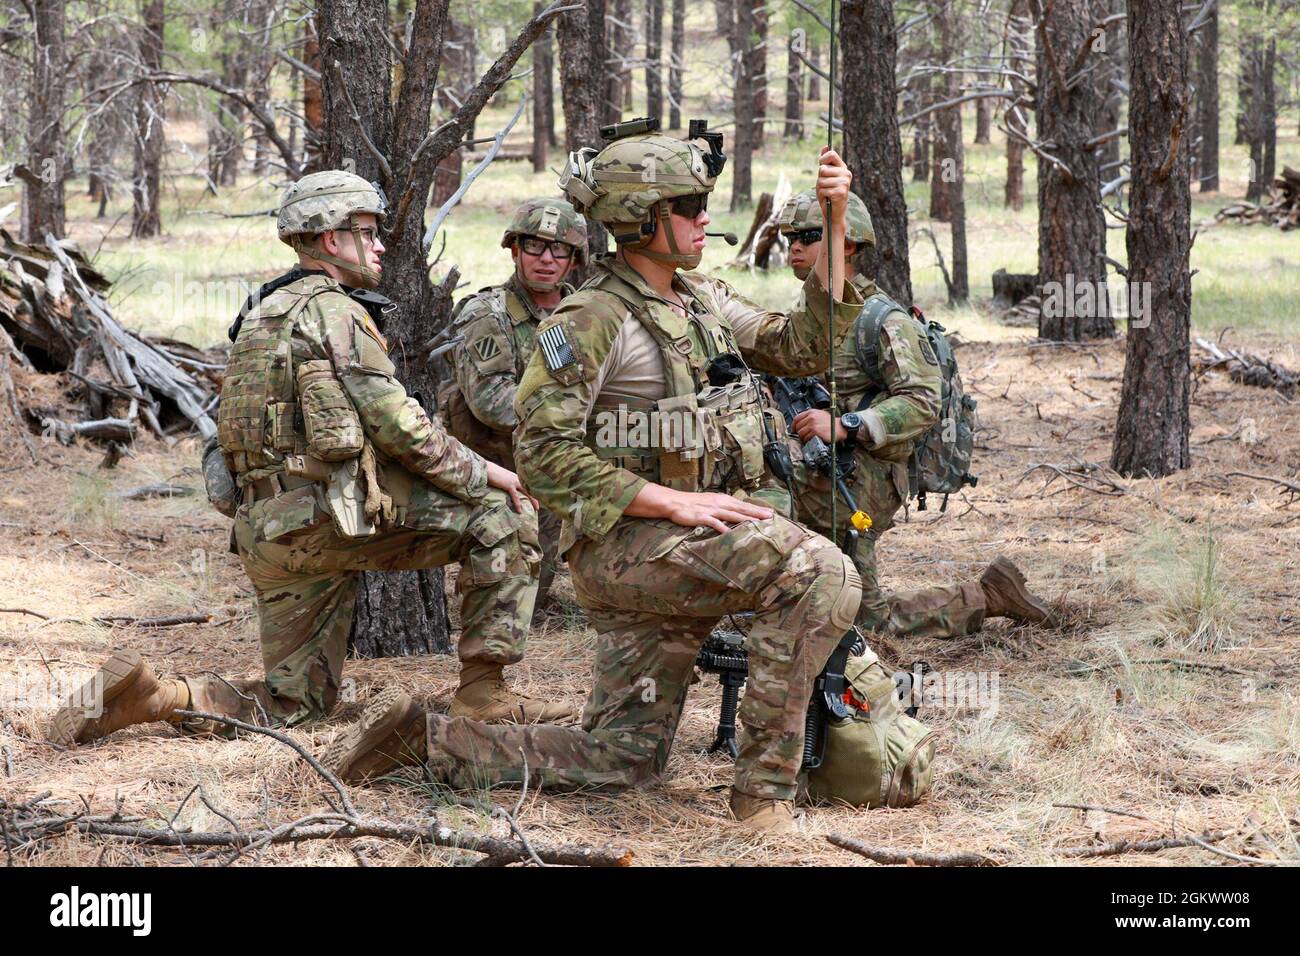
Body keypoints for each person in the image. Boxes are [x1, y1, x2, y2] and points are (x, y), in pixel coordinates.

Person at [325, 122, 867, 833]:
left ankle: (428, 743)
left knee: (623, 760)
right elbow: (544, 455)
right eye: (687, 205)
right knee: (820, 571)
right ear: (639, 219)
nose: (706, 217)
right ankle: (762, 797)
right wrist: (664, 500)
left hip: (678, 546)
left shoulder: (698, 298)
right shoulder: (589, 319)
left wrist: (832, 226)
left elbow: (805, 346)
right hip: (624, 548)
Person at [46, 170, 574, 749]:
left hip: (267, 531)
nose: (378, 246)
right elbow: (402, 427)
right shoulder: (337, 312)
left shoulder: (261, 313)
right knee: (502, 512)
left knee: (295, 704)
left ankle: (155, 695)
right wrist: (490, 472)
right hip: (325, 519)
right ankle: (483, 693)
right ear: (331, 239)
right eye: (368, 233)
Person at [775, 188, 1055, 640]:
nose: (795, 247)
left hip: (862, 479)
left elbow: (922, 400)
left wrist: (847, 426)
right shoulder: (811, 314)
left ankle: (987, 596)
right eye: (789, 237)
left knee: (865, 622)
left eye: (809, 235)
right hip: (819, 469)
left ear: (847, 243)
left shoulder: (879, 319)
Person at [441, 199, 586, 624]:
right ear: (514, 250)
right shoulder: (487, 313)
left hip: (572, 463)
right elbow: (491, 403)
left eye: (558, 250)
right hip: (505, 472)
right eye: (534, 247)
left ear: (573, 260)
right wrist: (577, 418)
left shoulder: (588, 311)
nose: (546, 259)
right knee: (509, 606)